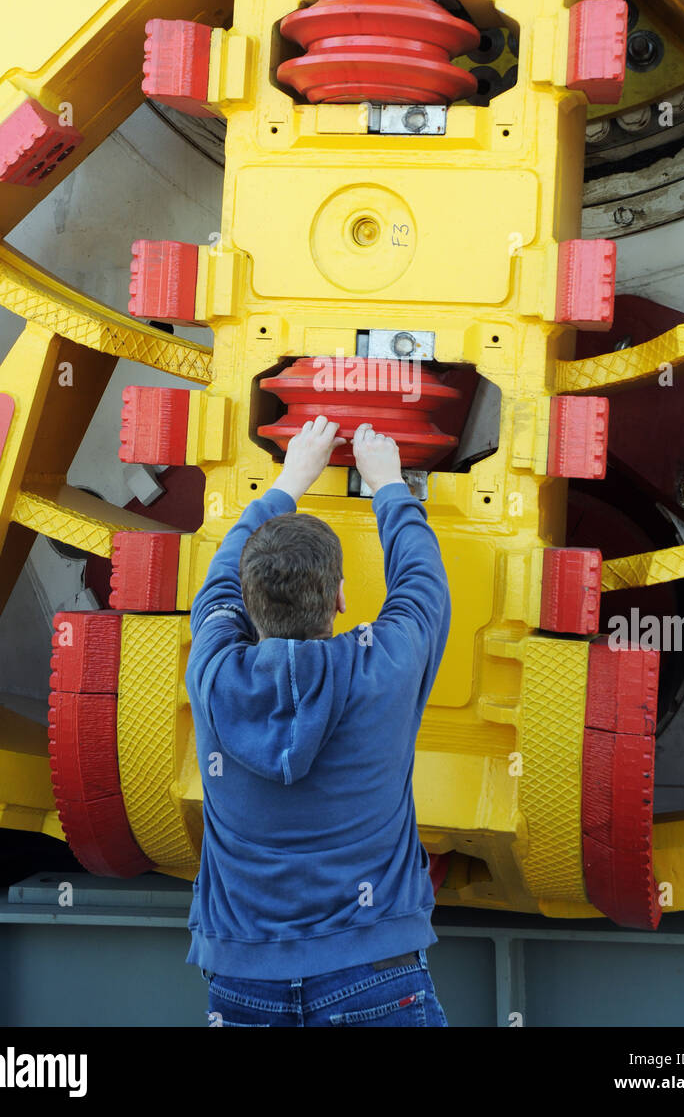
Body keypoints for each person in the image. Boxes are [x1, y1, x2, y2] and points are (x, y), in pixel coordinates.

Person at [185, 416, 451, 1027]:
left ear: (247, 608)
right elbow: (422, 584)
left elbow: (220, 580)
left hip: (243, 984)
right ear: (338, 598)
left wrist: (287, 482)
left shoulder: (215, 673)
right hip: (379, 977)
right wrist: (389, 484)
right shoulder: (382, 669)